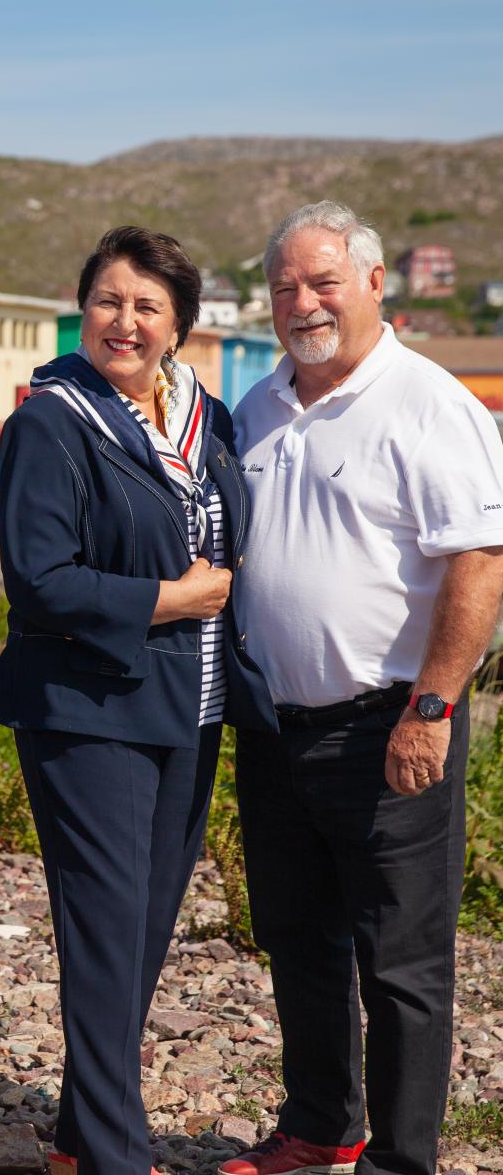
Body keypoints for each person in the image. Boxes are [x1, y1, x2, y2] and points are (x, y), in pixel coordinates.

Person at [0, 225, 278, 1175]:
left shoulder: (209, 419)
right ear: (82, 311)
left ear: (179, 325)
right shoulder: (51, 423)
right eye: (109, 300)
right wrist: (170, 600)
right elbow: (39, 580)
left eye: (148, 306)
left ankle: (79, 1138)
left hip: (190, 710)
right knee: (106, 935)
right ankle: (117, 1155)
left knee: (142, 937)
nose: (126, 321)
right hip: (88, 711)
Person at [221, 201, 503, 1175]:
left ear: (376, 283)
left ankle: (400, 1161)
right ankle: (320, 1126)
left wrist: (433, 708)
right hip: (277, 730)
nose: (303, 303)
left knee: (401, 964)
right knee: (298, 940)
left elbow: (479, 563)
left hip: (392, 729)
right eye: (285, 287)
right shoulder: (257, 409)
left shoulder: (430, 405)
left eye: (324, 282)